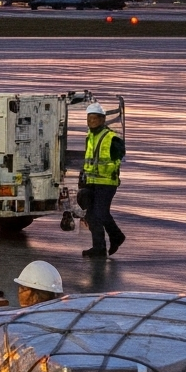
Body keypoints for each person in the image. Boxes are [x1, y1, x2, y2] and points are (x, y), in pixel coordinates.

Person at [78, 102, 125, 257]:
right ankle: (99, 247)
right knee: (92, 215)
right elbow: (89, 159)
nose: (91, 121)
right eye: (89, 118)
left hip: (106, 182)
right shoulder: (90, 136)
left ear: (102, 119)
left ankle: (116, 236)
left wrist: (110, 168)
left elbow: (119, 155)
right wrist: (83, 177)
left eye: (94, 118)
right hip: (92, 182)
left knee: (100, 213)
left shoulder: (110, 137)